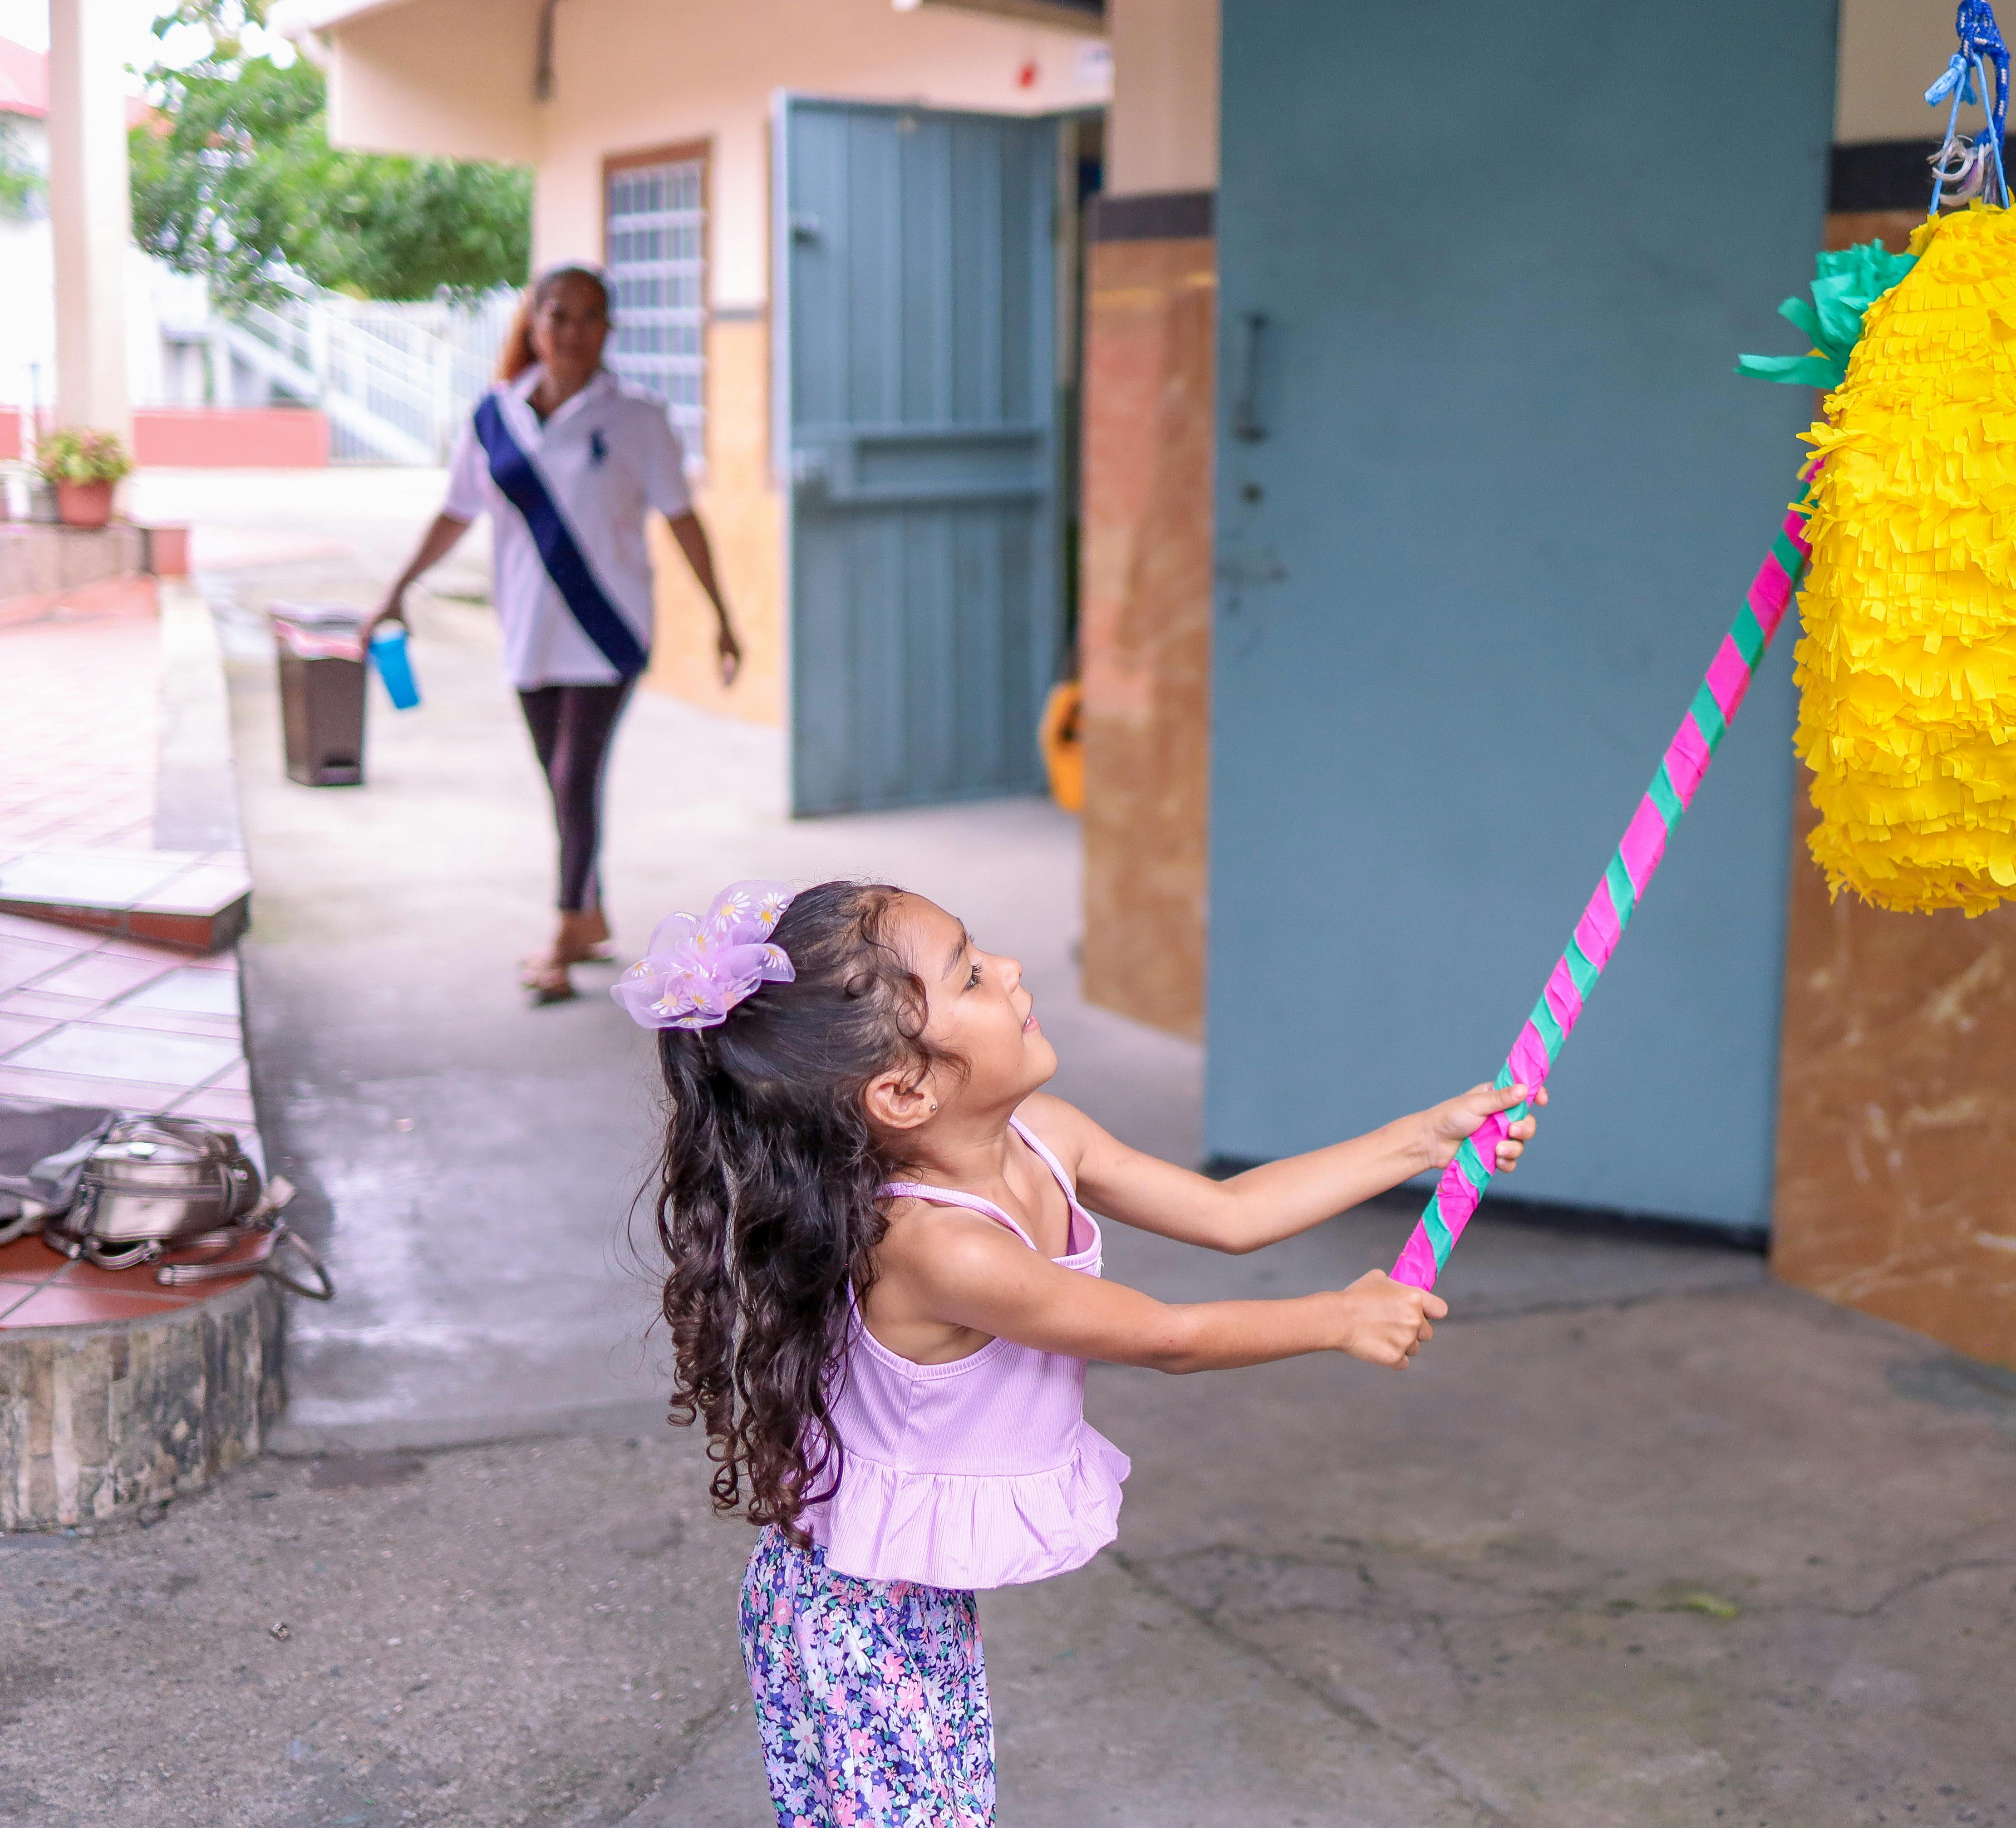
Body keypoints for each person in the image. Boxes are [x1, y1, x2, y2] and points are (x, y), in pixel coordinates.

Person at [626, 878, 1544, 1822]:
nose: (1014, 969)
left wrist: (1419, 1141)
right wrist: (1338, 1317)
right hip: (853, 1612)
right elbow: (1167, 1336)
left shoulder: (1048, 1136)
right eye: (974, 975)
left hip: (909, 1588)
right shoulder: (942, 1246)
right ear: (904, 1091)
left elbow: (1232, 1215)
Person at [368, 264, 744, 1003]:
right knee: (563, 782)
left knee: (575, 776)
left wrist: (724, 617)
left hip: (609, 631)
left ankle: (567, 932)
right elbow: (456, 513)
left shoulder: (638, 419)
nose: (572, 332)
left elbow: (682, 519)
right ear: (532, 323)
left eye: (589, 317)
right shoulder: (491, 417)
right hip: (529, 631)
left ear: (609, 329)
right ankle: (592, 909)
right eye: (558, 315)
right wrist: (395, 589)